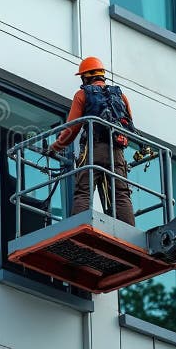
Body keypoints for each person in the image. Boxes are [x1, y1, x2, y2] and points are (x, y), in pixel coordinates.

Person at [48, 57, 136, 226]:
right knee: (121, 194)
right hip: (116, 152)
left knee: (84, 191)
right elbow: (130, 126)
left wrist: (55, 147)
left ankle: (77, 227)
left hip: (93, 150)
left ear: (85, 77)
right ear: (102, 75)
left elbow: (71, 129)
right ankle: (129, 232)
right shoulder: (121, 96)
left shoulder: (82, 95)